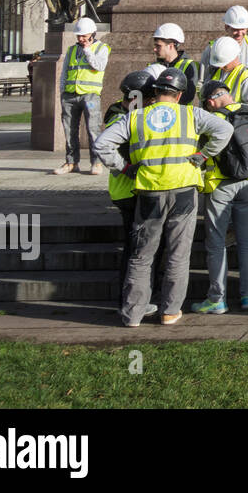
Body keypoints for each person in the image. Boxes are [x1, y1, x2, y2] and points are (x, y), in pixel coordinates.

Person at [94, 67, 233, 326]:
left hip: (149, 191)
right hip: (183, 190)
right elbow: (224, 130)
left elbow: (101, 144)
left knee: (141, 255)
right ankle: (170, 311)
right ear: (179, 95)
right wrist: (203, 156)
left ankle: (133, 314)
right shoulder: (191, 114)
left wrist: (124, 166)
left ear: (155, 92)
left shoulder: (136, 118)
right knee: (178, 255)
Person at [191, 79, 248, 314]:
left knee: (216, 244)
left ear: (210, 102)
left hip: (219, 186)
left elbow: (201, 153)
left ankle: (217, 299)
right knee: (247, 243)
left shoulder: (212, 119)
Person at [102, 69, 162, 317]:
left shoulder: (122, 111)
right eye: (150, 97)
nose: (152, 102)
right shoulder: (122, 118)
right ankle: (131, 301)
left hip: (128, 190)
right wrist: (126, 169)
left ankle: (133, 299)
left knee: (136, 247)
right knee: (136, 250)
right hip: (130, 191)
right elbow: (107, 150)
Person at [53, 17, 110, 175]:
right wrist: (62, 92)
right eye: (78, 36)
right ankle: (71, 162)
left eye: (84, 36)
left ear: (92, 34)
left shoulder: (102, 48)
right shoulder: (71, 50)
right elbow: (64, 72)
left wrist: (87, 50)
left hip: (90, 96)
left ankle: (96, 163)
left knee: (93, 130)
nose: (80, 39)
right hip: (70, 95)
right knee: (69, 130)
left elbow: (99, 66)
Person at [199, 5, 248, 74]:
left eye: (243, 29)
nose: (239, 33)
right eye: (235, 29)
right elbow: (202, 80)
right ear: (226, 27)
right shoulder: (213, 48)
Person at [201, 36, 248, 105]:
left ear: (234, 57)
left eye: (224, 64)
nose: (221, 67)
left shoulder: (247, 78)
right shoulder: (216, 71)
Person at [152, 23, 199, 107]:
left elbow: (188, 96)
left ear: (170, 46)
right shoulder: (154, 66)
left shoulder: (188, 65)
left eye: (158, 46)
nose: (154, 49)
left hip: (180, 115)